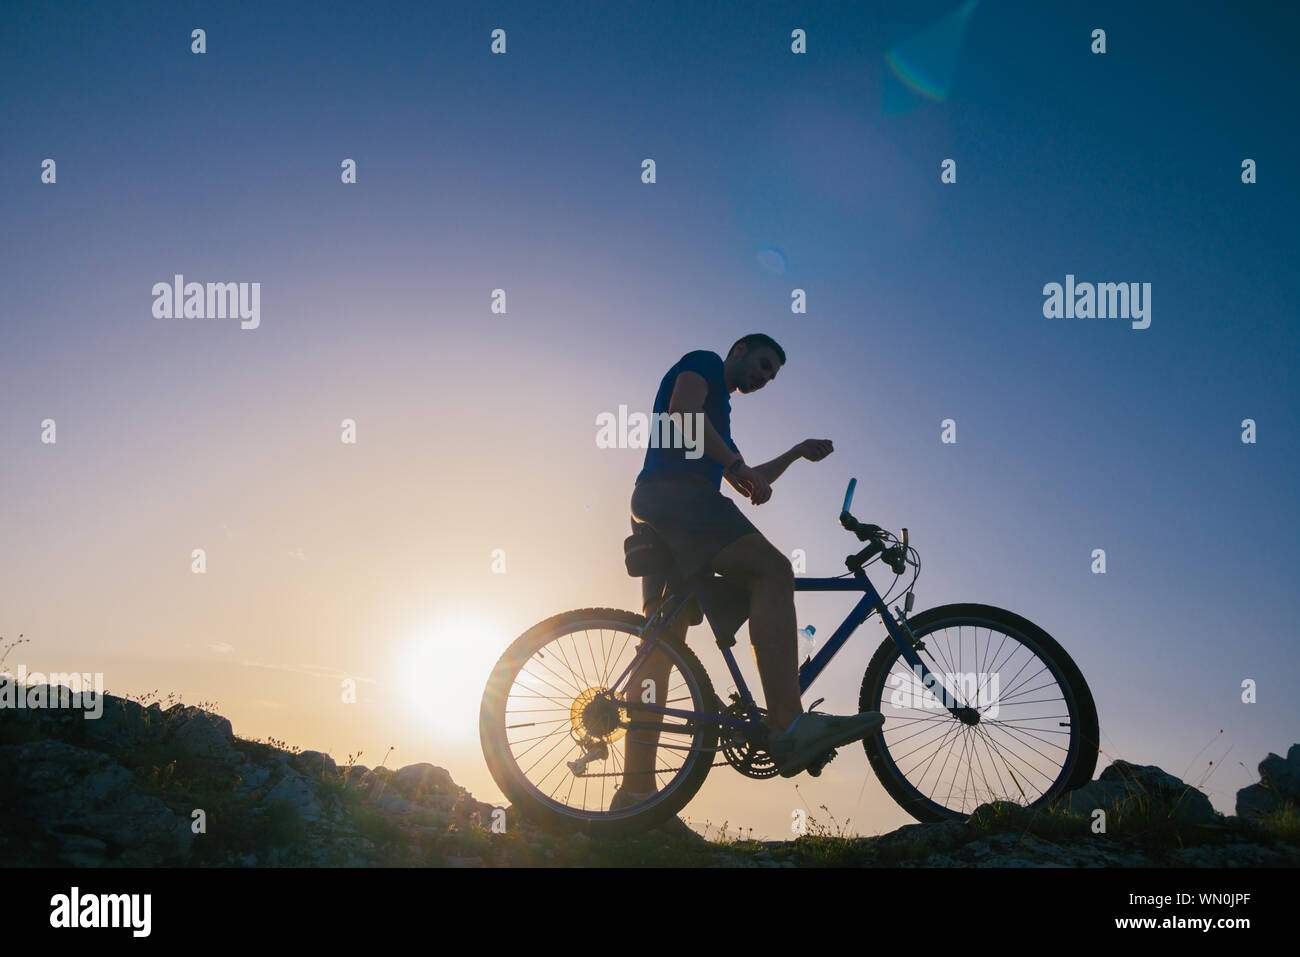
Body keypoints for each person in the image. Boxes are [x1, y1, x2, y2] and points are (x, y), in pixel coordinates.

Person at [612, 334, 885, 822]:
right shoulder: (704, 364)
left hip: (656, 508)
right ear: (737, 351)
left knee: (660, 646)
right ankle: (787, 724)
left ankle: (636, 800)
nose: (764, 378)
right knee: (773, 570)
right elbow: (681, 416)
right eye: (762, 365)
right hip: (679, 500)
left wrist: (794, 453)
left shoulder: (722, 419)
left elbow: (746, 476)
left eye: (772, 376)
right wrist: (735, 465)